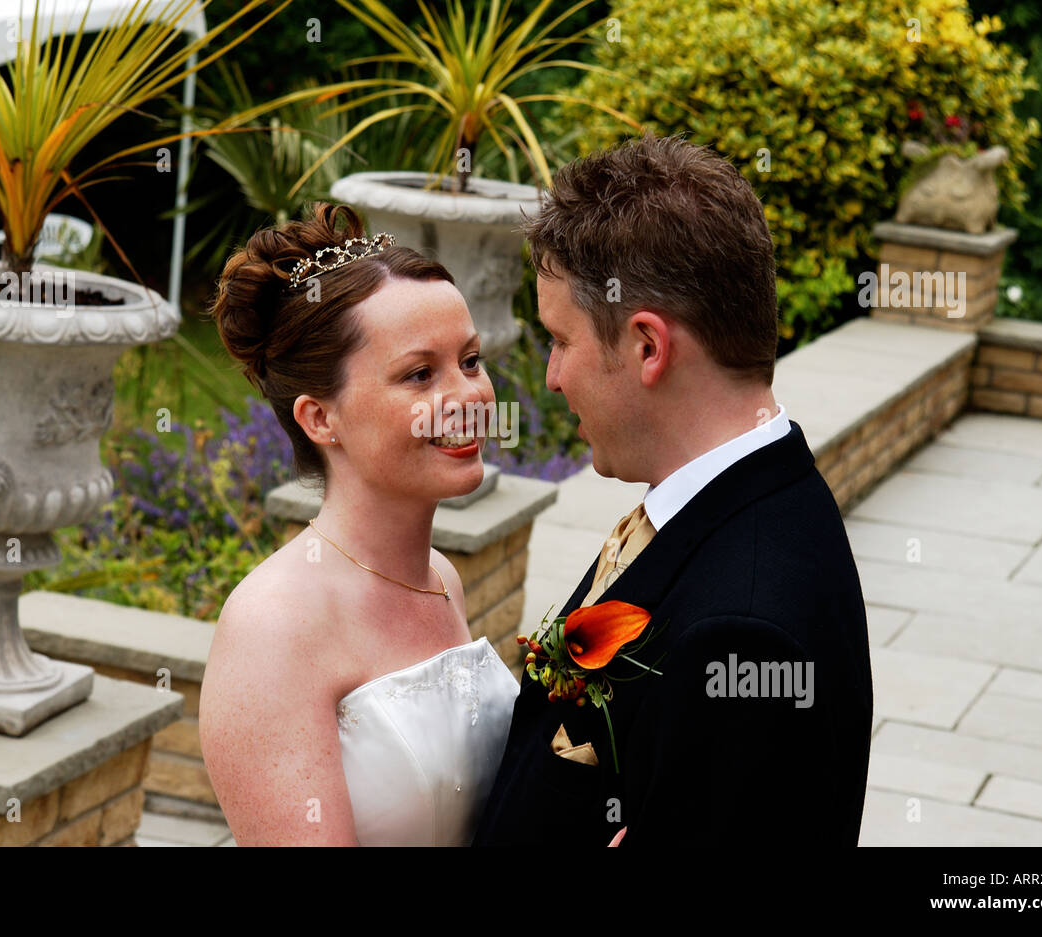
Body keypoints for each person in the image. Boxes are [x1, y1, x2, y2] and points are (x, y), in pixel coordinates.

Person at [471, 132, 874, 847]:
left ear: (648, 346)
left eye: (561, 340)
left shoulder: (743, 633)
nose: (553, 377)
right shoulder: (732, 501)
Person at [199, 202, 519, 846]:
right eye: (420, 374)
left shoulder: (443, 581)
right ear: (321, 419)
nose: (468, 399)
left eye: (471, 360)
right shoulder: (274, 625)